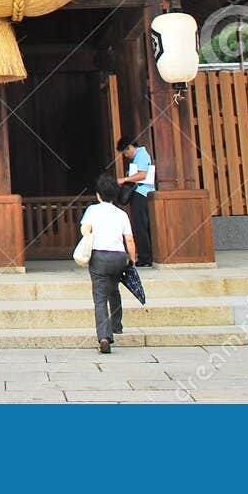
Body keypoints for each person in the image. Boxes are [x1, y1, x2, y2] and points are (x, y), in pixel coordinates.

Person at [81, 172, 138, 353]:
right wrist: (132, 259)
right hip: (119, 257)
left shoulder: (92, 210)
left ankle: (104, 337)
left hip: (99, 257)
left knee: (100, 298)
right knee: (114, 289)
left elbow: (85, 229)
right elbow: (129, 239)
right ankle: (117, 324)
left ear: (98, 194)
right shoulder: (121, 214)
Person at [116, 136, 155, 266]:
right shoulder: (140, 155)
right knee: (142, 226)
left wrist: (124, 179)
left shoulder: (141, 155)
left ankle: (145, 258)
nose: (126, 155)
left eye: (125, 152)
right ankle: (146, 256)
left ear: (130, 147)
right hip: (141, 193)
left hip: (141, 193)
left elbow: (142, 174)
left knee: (140, 227)